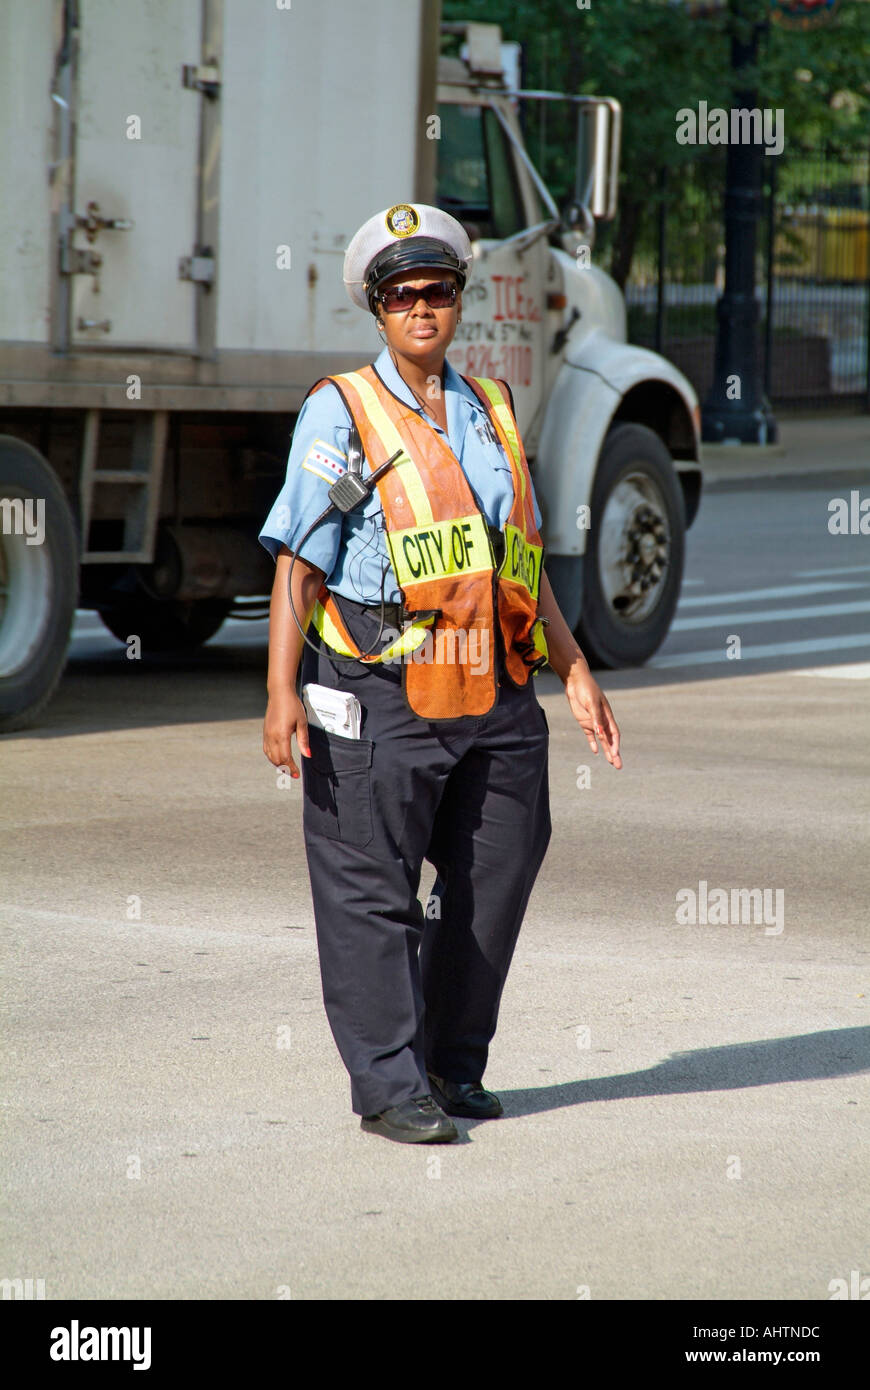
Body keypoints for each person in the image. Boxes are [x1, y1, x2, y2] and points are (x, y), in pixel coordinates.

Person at [260, 203, 621, 1145]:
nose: (424, 306)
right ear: (378, 310)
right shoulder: (344, 415)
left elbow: (520, 559)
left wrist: (574, 665)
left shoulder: (492, 407)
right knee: (368, 885)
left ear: (462, 301)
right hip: (380, 680)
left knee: (492, 875)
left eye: (440, 290)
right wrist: (278, 694)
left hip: (497, 687)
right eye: (404, 294)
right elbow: (299, 561)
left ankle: (451, 1068)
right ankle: (388, 1086)